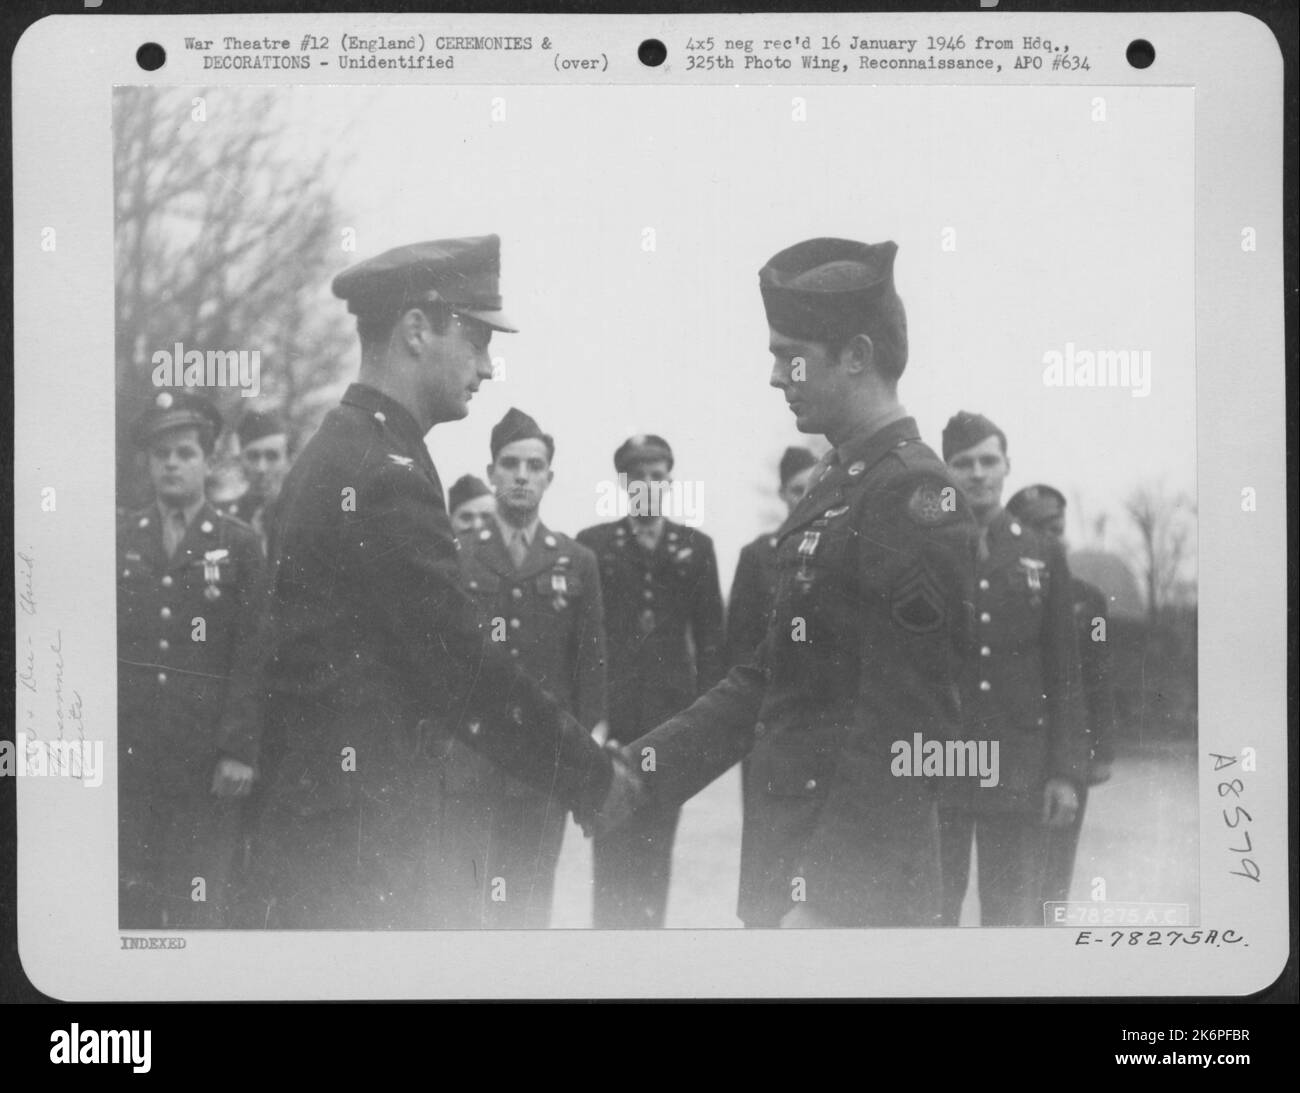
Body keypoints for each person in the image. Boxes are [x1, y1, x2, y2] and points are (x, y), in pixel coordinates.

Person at [242, 236, 630, 929]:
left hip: (326, 827)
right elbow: (463, 667)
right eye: (477, 338)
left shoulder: (348, 446)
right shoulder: (385, 474)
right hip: (357, 850)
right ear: (417, 330)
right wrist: (590, 776)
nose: (487, 365)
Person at [604, 238, 977, 928]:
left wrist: (830, 897)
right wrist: (638, 769)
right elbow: (770, 678)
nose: (777, 376)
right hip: (790, 864)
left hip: (853, 893)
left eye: (790, 354)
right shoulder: (835, 486)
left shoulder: (913, 494)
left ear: (857, 355)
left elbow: (906, 721)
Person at [440, 408, 608, 927]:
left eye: (534, 466)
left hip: (541, 767)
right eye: (509, 464)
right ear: (491, 474)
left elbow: (592, 667)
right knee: (461, 909)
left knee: (528, 910)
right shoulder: (456, 556)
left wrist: (585, 755)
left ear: (549, 479)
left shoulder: (576, 562)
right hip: (468, 764)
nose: (521, 475)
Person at [117, 391, 265, 928]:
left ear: (208, 462)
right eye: (162, 455)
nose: (172, 464)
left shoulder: (239, 545)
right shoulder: (120, 540)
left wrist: (238, 751)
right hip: (132, 764)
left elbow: (252, 655)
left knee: (196, 910)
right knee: (129, 911)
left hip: (204, 767)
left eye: (184, 452)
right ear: (149, 463)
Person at [938, 413, 1088, 926]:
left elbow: (1063, 669)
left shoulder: (1040, 552)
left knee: (1012, 918)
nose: (977, 474)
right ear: (945, 470)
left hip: (1017, 764)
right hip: (941, 763)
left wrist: (1065, 773)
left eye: (988, 461)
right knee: (932, 914)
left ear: (1007, 466)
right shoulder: (926, 547)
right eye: (963, 463)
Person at [578, 435, 726, 928]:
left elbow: (711, 646)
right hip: (613, 726)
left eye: (658, 476)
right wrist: (591, 720)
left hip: (670, 725)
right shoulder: (594, 545)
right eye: (637, 476)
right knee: (610, 850)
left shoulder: (695, 548)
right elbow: (585, 642)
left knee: (656, 853)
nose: (648, 485)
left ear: (670, 481)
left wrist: (701, 729)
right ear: (623, 483)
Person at [1006, 483, 1116, 904]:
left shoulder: (1088, 601)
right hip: (1020, 747)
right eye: (1038, 529)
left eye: (1057, 527)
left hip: (1070, 749)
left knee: (1056, 872)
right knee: (1015, 873)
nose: (1052, 539)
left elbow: (1099, 676)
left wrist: (1102, 750)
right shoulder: (1003, 594)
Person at [725, 446, 819, 669]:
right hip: (770, 682)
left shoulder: (835, 547)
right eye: (797, 490)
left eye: (813, 490)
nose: (806, 499)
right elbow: (740, 642)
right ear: (782, 493)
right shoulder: (757, 555)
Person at [225, 409, 292, 558]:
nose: (261, 468)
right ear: (240, 462)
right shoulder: (225, 520)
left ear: (288, 461)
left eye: (272, 456)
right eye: (253, 457)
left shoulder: (303, 518)